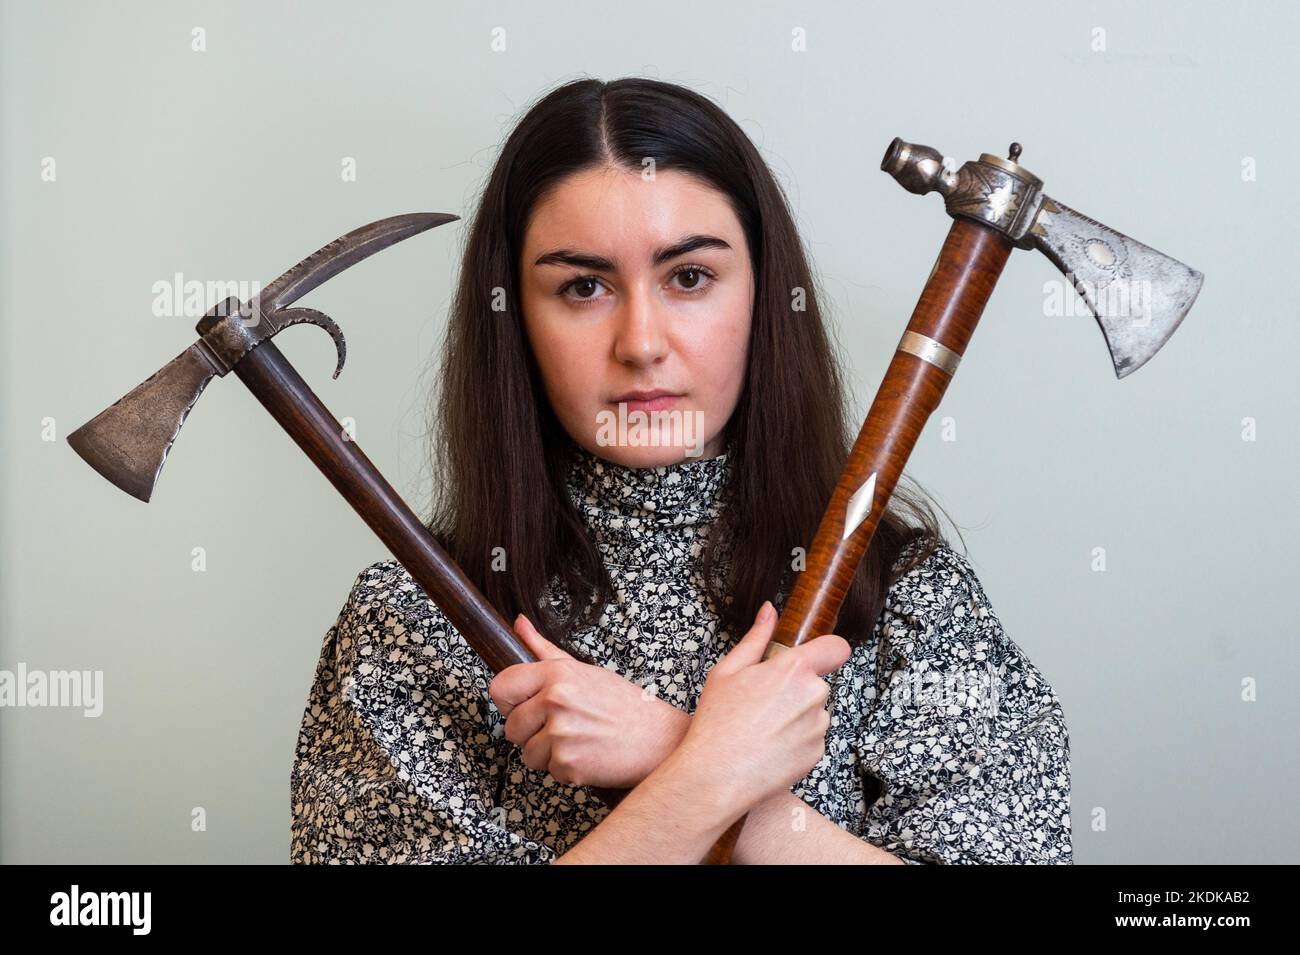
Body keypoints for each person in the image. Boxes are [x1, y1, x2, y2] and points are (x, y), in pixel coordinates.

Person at [289, 77, 1073, 865]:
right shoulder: (411, 623)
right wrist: (704, 772)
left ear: (765, 295)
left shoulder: (906, 594)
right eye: (584, 287)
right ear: (514, 319)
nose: (642, 342)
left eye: (689, 277)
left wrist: (669, 749)